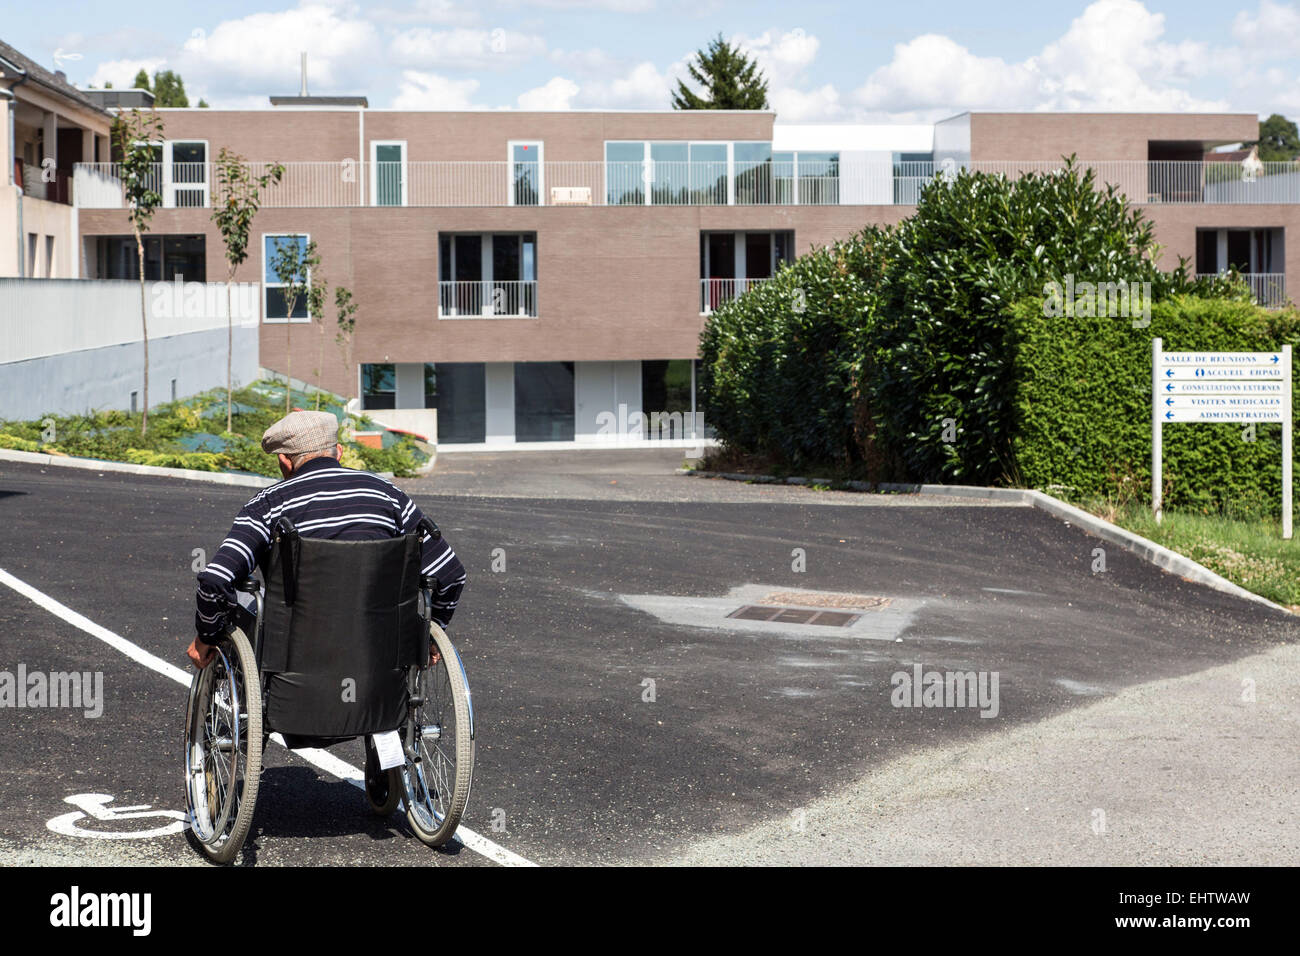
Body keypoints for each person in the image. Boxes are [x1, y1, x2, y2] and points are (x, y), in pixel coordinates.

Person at [186, 410, 466, 670]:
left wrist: (207, 636)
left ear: (284, 460)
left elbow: (216, 579)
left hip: (294, 661)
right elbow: (450, 573)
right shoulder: (388, 495)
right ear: (339, 452)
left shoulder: (266, 506)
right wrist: (431, 632)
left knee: (244, 597)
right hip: (383, 660)